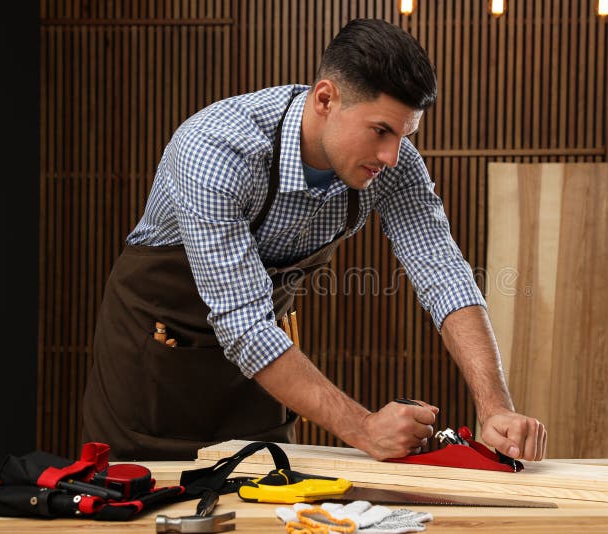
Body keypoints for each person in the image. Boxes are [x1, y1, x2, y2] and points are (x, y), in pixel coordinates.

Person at [81, 18, 548, 462]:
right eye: (381, 131)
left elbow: (444, 274)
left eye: (404, 135)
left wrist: (495, 407)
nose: (392, 155)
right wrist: (364, 427)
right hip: (154, 364)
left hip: (260, 377)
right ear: (326, 99)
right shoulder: (217, 148)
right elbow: (244, 325)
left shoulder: (392, 162)